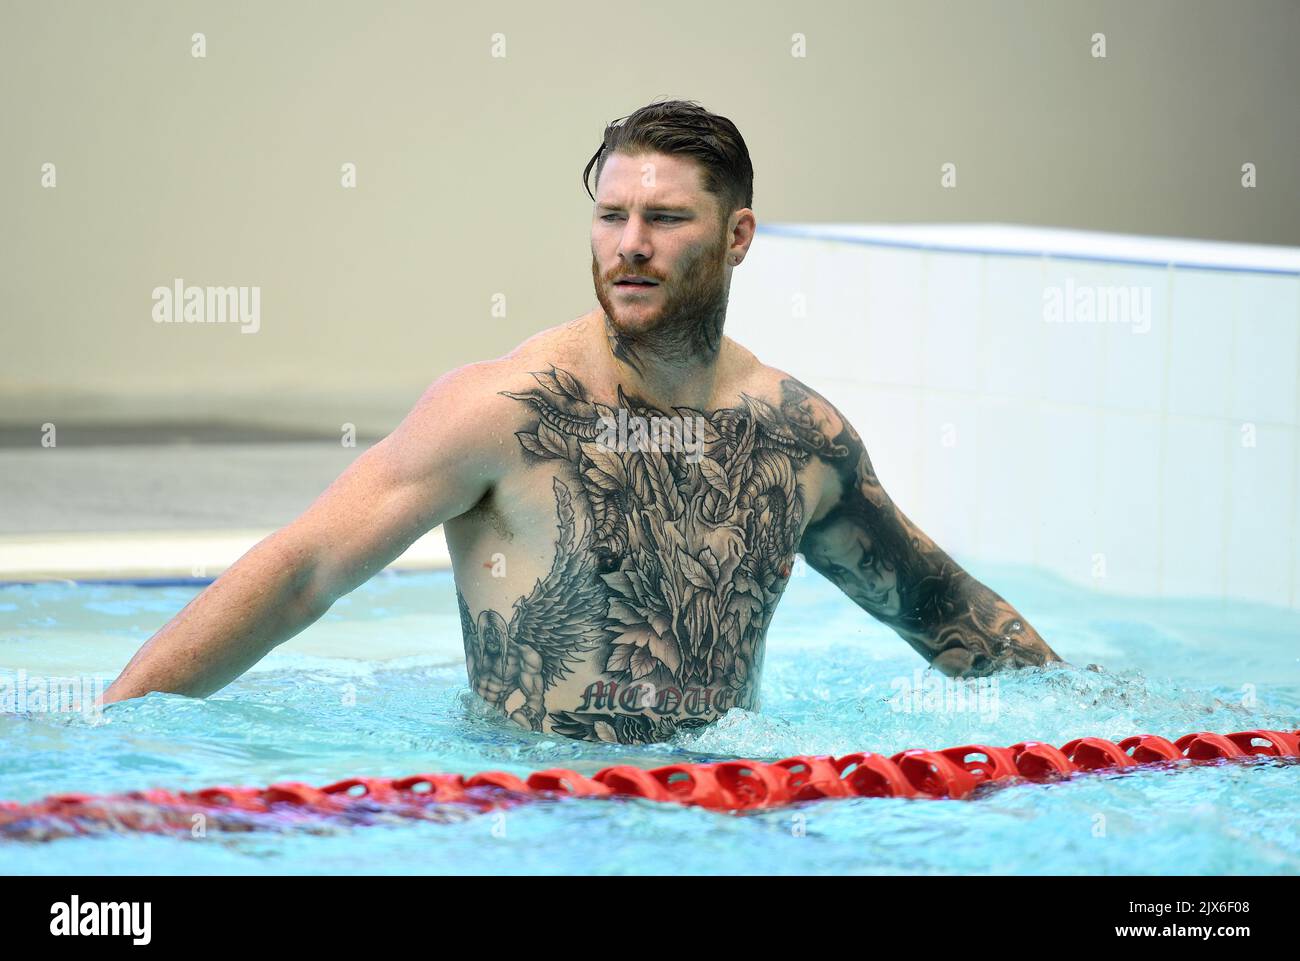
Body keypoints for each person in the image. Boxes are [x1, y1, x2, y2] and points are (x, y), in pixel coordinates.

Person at [101, 99, 1062, 743]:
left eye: (666, 219)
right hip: (529, 814)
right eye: (610, 216)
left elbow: (940, 607)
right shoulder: (502, 411)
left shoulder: (798, 437)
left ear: (738, 236)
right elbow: (302, 571)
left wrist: (1105, 734)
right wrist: (117, 732)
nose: (629, 245)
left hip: (728, 815)